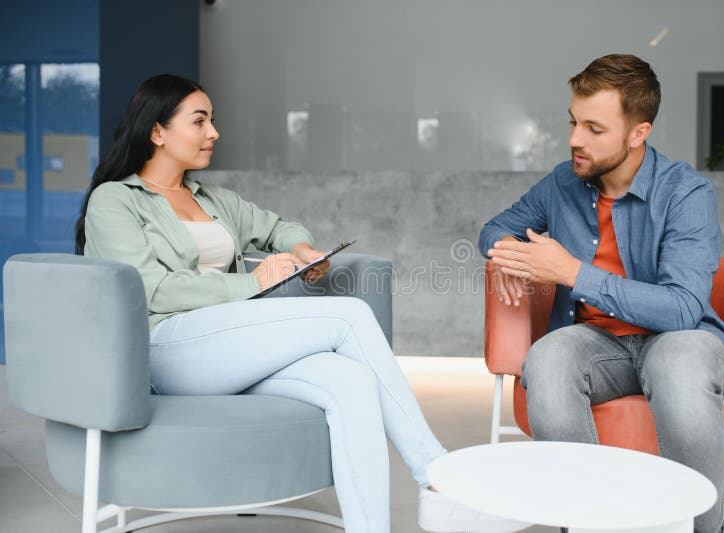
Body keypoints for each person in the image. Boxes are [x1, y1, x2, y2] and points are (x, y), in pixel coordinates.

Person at [76, 74, 529, 533]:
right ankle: (441, 480)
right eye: (199, 121)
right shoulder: (115, 200)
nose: (213, 132)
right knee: (349, 315)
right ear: (157, 131)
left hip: (228, 348)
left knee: (351, 381)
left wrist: (304, 252)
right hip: (165, 348)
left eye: (213, 120)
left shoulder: (211, 198)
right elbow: (146, 287)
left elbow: (278, 227)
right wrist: (251, 283)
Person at [479, 54, 724, 533]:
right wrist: (508, 252)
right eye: (573, 122)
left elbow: (681, 309)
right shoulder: (562, 183)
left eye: (594, 128)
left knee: (677, 360)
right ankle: (591, 524)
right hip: (596, 345)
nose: (574, 139)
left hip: (679, 338)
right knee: (546, 358)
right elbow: (494, 228)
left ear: (638, 132)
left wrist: (572, 271)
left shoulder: (686, 192)